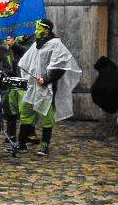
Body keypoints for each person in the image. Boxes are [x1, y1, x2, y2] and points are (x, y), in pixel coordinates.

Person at [17, 19, 82, 157]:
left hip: (46, 88)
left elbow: (61, 66)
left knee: (46, 117)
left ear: (46, 30)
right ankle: (21, 144)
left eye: (39, 27)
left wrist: (47, 79)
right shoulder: (36, 44)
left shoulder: (56, 45)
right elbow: (27, 61)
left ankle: (44, 146)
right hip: (32, 86)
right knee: (26, 114)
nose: (36, 30)